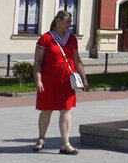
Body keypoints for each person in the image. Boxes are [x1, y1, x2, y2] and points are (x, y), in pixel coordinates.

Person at [34, 10, 88, 154]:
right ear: (58, 20)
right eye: (67, 21)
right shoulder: (46, 38)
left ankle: (65, 143)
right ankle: (41, 138)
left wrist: (83, 78)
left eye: (71, 22)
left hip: (66, 81)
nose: (70, 25)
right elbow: (38, 61)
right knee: (46, 110)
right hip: (48, 80)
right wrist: (38, 80)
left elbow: (76, 60)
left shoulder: (71, 39)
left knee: (66, 110)